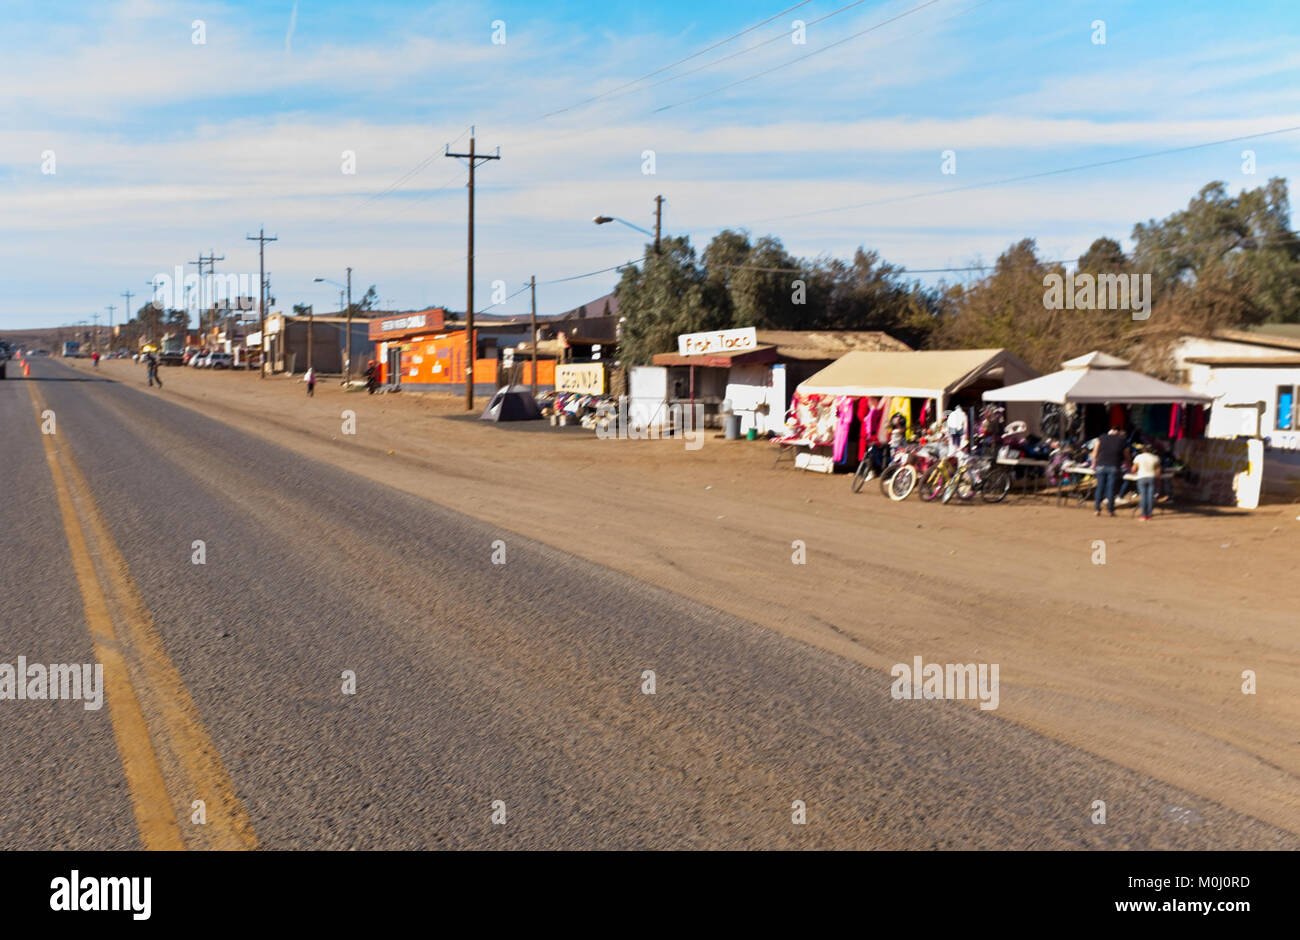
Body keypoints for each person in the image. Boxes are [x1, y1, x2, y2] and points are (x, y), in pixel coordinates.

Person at [1090, 423, 1128, 516]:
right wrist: (1129, 464)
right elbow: (1127, 455)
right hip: (1114, 466)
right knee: (1110, 489)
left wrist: (1094, 463)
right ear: (1119, 432)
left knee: (1100, 487)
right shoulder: (1122, 440)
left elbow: (1095, 452)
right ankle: (1110, 510)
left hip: (1100, 465)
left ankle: (1097, 509)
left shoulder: (1102, 437)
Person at [1132, 444, 1162, 521]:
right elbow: (1158, 470)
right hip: (1151, 477)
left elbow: (1134, 469)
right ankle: (1149, 515)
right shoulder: (1155, 458)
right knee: (1150, 496)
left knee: (1143, 496)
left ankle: (1143, 515)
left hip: (1141, 477)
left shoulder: (1138, 457)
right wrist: (1158, 479)